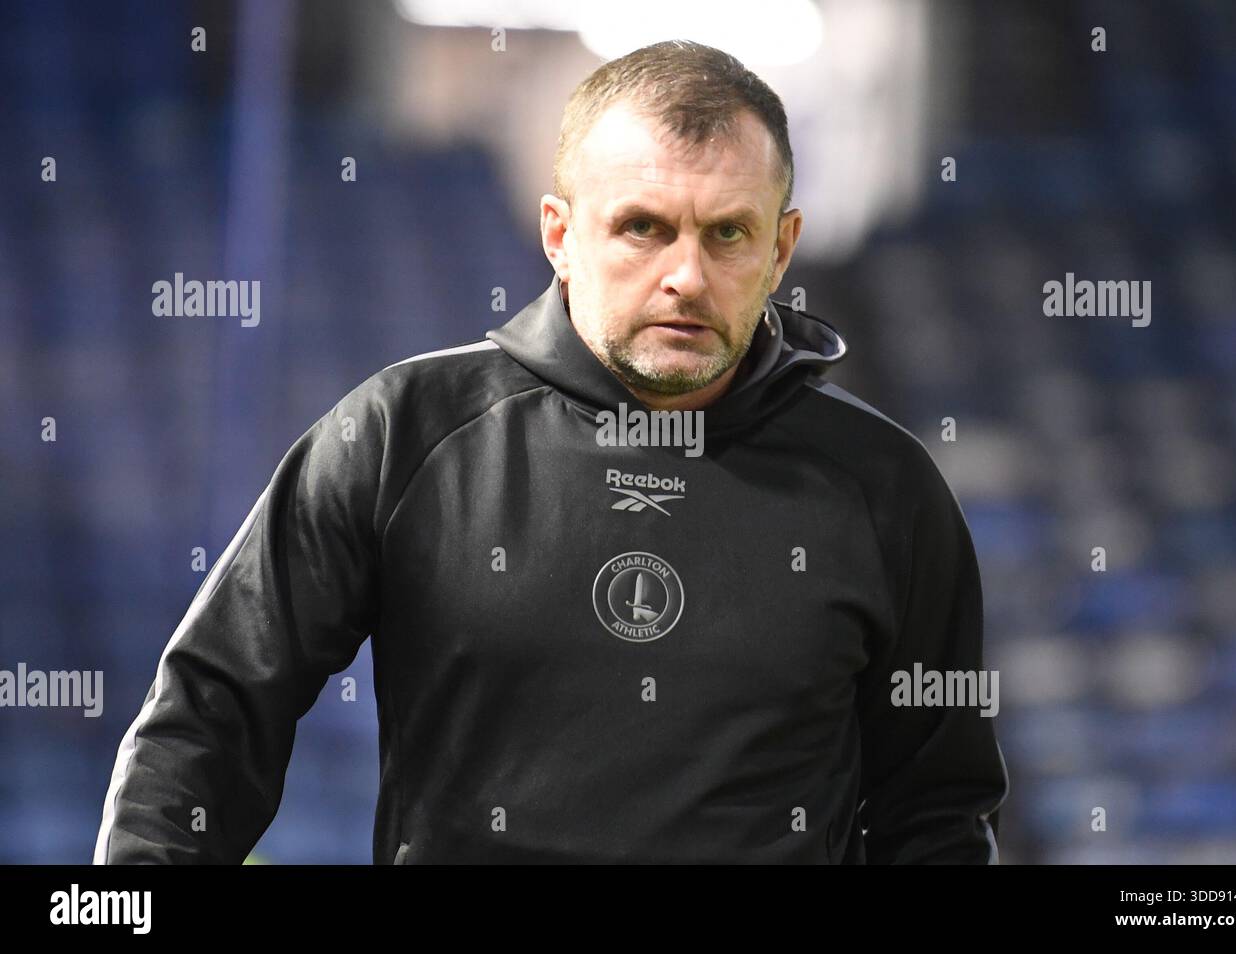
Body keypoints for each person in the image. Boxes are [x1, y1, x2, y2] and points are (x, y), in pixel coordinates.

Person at [95, 39, 1008, 865]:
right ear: (560, 235)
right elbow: (209, 716)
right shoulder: (401, 434)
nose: (685, 275)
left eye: (727, 233)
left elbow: (937, 816)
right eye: (642, 227)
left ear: (781, 250)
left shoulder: (886, 490)